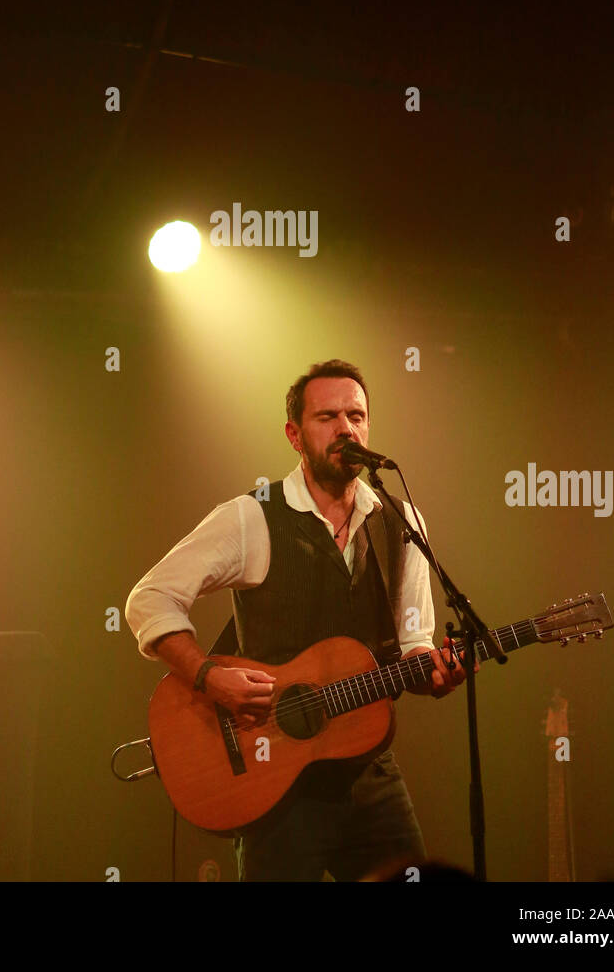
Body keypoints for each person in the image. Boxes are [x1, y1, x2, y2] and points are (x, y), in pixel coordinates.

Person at [125, 358, 471, 881]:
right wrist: (208, 677)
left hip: (367, 771)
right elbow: (149, 598)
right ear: (294, 434)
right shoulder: (252, 517)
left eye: (356, 415)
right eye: (327, 417)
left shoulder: (402, 521)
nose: (345, 428)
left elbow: (414, 642)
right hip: (271, 775)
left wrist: (433, 671)